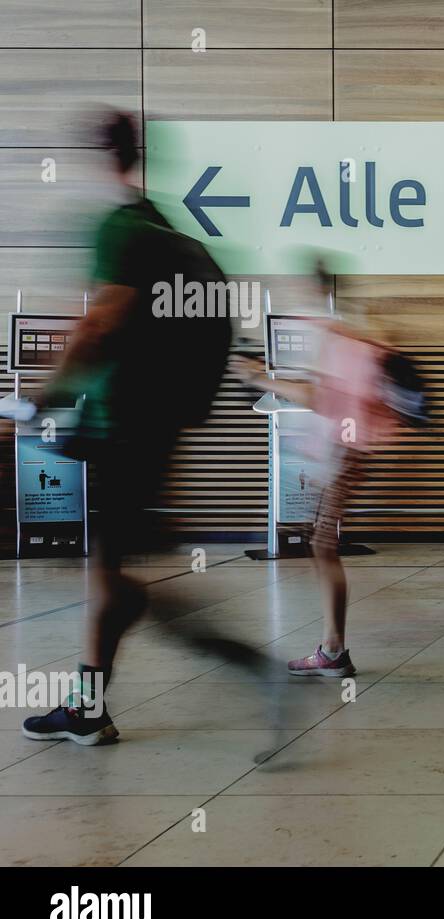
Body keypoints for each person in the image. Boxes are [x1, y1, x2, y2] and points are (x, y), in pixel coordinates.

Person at [21, 110, 232, 745]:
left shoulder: (120, 230)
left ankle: (219, 646)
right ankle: (89, 706)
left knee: (112, 575)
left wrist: (42, 398)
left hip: (123, 428)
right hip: (159, 427)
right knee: (108, 565)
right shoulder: (169, 231)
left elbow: (99, 322)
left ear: (98, 156)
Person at [235, 264, 398, 677]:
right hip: (351, 449)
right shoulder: (346, 333)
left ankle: (333, 649)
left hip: (346, 450)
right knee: (322, 543)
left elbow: (316, 395)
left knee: (323, 543)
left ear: (314, 287)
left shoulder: (335, 336)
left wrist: (260, 378)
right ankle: (332, 647)